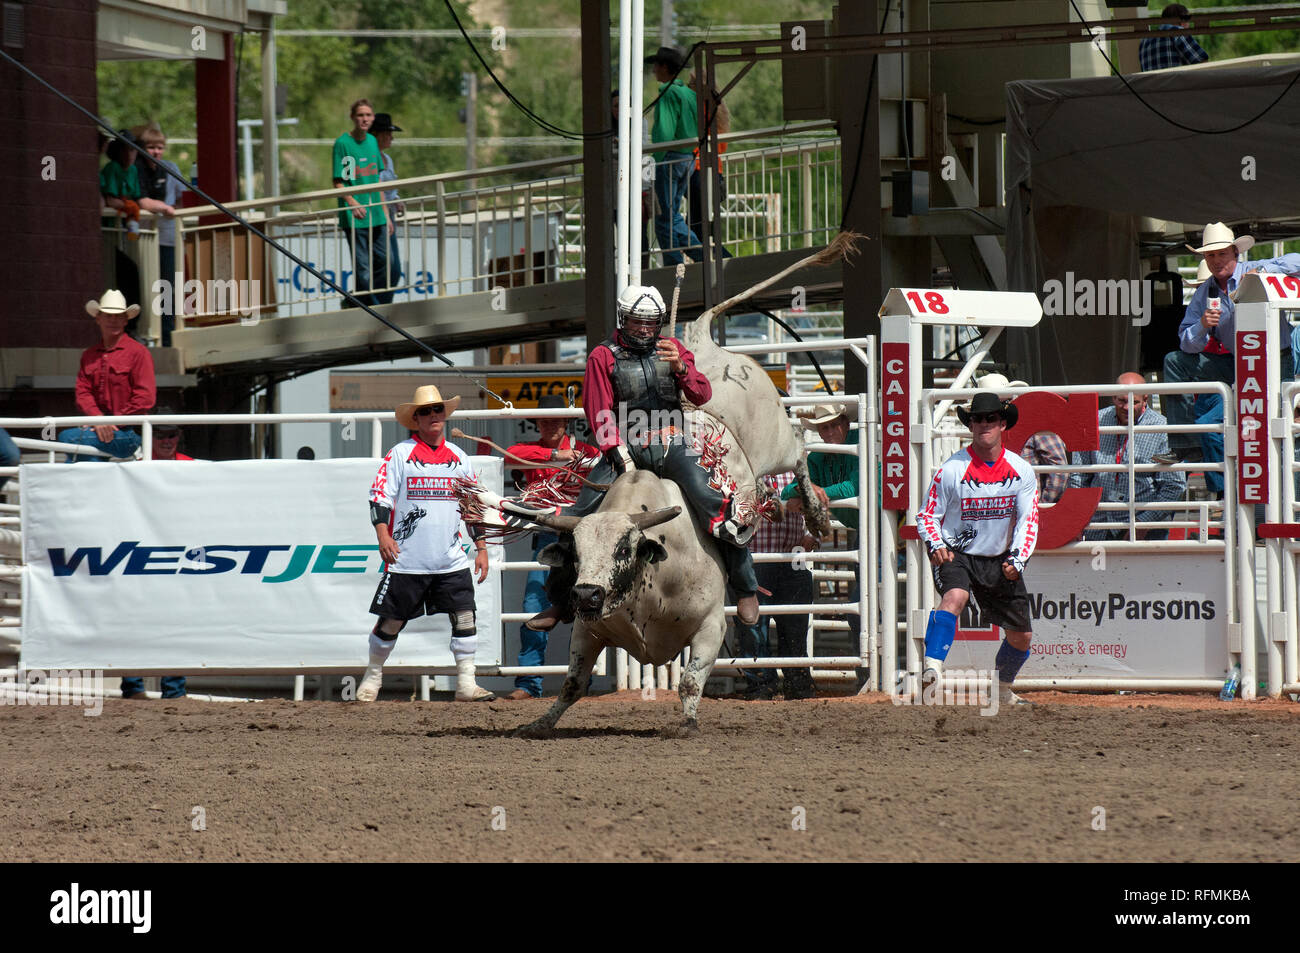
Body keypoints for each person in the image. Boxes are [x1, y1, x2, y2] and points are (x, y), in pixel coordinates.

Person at [526, 284, 761, 630]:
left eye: (652, 322)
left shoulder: (673, 349)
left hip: (672, 441)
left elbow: (701, 394)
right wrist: (618, 453)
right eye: (638, 321)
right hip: (623, 445)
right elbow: (599, 411)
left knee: (717, 504)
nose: (646, 329)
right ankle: (561, 601)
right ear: (624, 319)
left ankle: (745, 588)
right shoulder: (602, 356)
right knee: (579, 519)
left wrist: (681, 367)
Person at [358, 385, 495, 703]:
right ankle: (373, 676)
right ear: (415, 419)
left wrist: (482, 548)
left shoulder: (459, 457)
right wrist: (382, 535)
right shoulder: (400, 454)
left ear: (444, 415)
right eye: (426, 411)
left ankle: (466, 683)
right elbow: (380, 498)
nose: (433, 415)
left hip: (451, 559)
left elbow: (471, 505)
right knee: (391, 621)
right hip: (408, 558)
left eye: (437, 410)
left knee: (464, 616)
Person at [917, 392, 1040, 708]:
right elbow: (927, 515)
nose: (983, 424)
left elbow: (1029, 519)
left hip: (999, 557)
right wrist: (936, 544)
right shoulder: (951, 469)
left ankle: (999, 690)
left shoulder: (1021, 470)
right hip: (956, 552)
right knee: (954, 597)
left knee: (1021, 635)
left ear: (1001, 424)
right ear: (970, 424)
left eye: (989, 419)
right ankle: (932, 668)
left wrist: (1018, 558)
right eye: (977, 419)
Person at [1160, 223, 1300, 464]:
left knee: (1276, 425)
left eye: (1221, 253)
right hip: (1239, 363)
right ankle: (1186, 445)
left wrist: (1264, 269)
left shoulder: (1256, 269)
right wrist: (1203, 324)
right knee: (1174, 361)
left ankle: (1284, 485)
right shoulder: (1205, 292)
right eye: (1210, 255)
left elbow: (1297, 260)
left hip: (1275, 360)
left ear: (1235, 252)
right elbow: (1186, 343)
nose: (1216, 260)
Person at [501, 394, 598, 700]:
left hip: (579, 541)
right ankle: (529, 683)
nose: (550, 424)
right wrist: (557, 456)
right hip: (547, 539)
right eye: (544, 419)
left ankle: (578, 681)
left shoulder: (587, 453)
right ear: (537, 422)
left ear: (567, 421)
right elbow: (510, 455)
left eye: (556, 418)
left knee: (584, 608)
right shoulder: (543, 451)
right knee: (533, 606)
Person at [780, 403, 866, 688]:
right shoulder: (819, 457)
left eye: (833, 425)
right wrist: (808, 490)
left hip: (883, 529)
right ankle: (869, 674)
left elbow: (856, 488)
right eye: (824, 427)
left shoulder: (859, 443)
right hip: (862, 531)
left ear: (845, 423)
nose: (829, 432)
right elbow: (788, 491)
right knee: (862, 607)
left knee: (864, 606)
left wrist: (814, 493)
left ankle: (880, 672)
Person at [120, 420, 192, 700]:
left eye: (171, 434)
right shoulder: (133, 466)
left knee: (175, 618)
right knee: (136, 617)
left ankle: (173, 690)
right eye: (160, 434)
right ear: (150, 436)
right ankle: (134, 686)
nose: (165, 440)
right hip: (141, 547)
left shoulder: (191, 465)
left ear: (179, 436)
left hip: (178, 548)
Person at [1069, 373, 1186, 540]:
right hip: (1099, 524)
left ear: (1146, 399)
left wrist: (1143, 524)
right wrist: (1077, 519)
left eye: (1134, 402)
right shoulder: (1094, 421)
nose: (1127, 407)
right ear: (1113, 397)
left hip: (1146, 528)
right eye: (1122, 401)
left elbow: (1174, 485)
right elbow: (1079, 476)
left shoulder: (1162, 428)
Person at [738, 471, 816, 700]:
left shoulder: (798, 468)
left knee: (795, 626)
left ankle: (795, 682)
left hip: (793, 557)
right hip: (756, 558)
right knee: (754, 628)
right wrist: (782, 504)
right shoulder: (750, 467)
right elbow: (735, 505)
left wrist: (812, 534)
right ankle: (762, 684)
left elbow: (816, 504)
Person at [59, 291, 156, 461]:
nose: (114, 320)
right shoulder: (89, 355)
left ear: (126, 320)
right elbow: (83, 393)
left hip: (129, 433)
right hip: (98, 428)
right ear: (98, 319)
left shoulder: (138, 353)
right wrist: (99, 420)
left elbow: (145, 397)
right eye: (109, 316)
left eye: (119, 316)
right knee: (85, 456)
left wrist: (111, 423)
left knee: (69, 439)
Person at [645, 46, 703, 266]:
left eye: (656, 66)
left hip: (669, 159)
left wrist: (653, 158)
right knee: (672, 215)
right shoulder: (689, 93)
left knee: (664, 218)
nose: (653, 71)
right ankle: (702, 256)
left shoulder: (667, 92)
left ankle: (675, 265)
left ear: (664, 67)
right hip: (688, 158)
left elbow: (664, 131)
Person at [131, 122, 187, 347]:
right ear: (142, 148)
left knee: (168, 289)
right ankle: (145, 335)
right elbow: (141, 200)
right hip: (145, 238)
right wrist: (164, 208)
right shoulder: (136, 169)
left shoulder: (170, 167)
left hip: (170, 239)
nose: (156, 152)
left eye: (160, 147)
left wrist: (174, 209)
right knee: (146, 289)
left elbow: (183, 197)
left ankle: (167, 336)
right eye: (151, 147)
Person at [332, 98, 390, 307]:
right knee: (362, 267)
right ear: (352, 117)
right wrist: (352, 203)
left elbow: (377, 181)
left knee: (384, 261)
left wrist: (385, 213)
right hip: (356, 217)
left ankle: (356, 300)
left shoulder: (373, 142)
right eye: (360, 115)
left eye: (368, 115)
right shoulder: (342, 144)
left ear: (372, 118)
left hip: (376, 214)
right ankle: (370, 308)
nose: (364, 119)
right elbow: (339, 181)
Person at [686, 71, 731, 259]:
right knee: (700, 228)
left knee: (693, 230)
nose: (688, 88)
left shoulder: (700, 109)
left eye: (691, 84)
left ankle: (722, 261)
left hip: (699, 171)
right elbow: (722, 146)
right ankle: (716, 260)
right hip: (714, 172)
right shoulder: (718, 109)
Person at [371, 112, 405, 298]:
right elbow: (377, 188)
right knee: (387, 266)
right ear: (378, 135)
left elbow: (389, 189)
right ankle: (364, 301)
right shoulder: (371, 159)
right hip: (378, 216)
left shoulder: (388, 160)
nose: (391, 137)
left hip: (388, 216)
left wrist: (396, 200)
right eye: (388, 133)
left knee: (394, 269)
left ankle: (382, 305)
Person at [1139, 4, 1209, 72]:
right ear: (1183, 20)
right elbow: (1202, 63)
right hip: (1177, 83)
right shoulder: (1177, 31)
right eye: (1188, 19)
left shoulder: (1144, 41)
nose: (1189, 24)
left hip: (1151, 83)